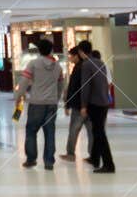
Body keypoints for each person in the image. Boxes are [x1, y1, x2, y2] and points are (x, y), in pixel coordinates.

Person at [14, 39, 64, 170]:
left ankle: (31, 159)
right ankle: (49, 162)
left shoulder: (33, 64)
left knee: (31, 131)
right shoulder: (58, 66)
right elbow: (61, 85)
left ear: (39, 50)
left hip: (36, 103)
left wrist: (19, 97)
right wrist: (57, 98)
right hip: (51, 103)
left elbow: (24, 81)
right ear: (51, 50)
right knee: (50, 132)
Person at [75, 41, 116, 173]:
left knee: (99, 134)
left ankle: (109, 164)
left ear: (81, 52)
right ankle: (94, 158)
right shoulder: (100, 62)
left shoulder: (86, 65)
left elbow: (85, 86)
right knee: (97, 131)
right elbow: (104, 83)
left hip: (94, 103)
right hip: (103, 102)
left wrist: (83, 105)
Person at [60, 45, 91, 163]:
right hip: (89, 105)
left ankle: (70, 153)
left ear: (77, 56)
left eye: (71, 56)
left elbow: (73, 88)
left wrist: (68, 103)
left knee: (74, 129)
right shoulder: (88, 66)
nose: (70, 59)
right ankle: (92, 154)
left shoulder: (78, 69)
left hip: (79, 105)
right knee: (90, 131)